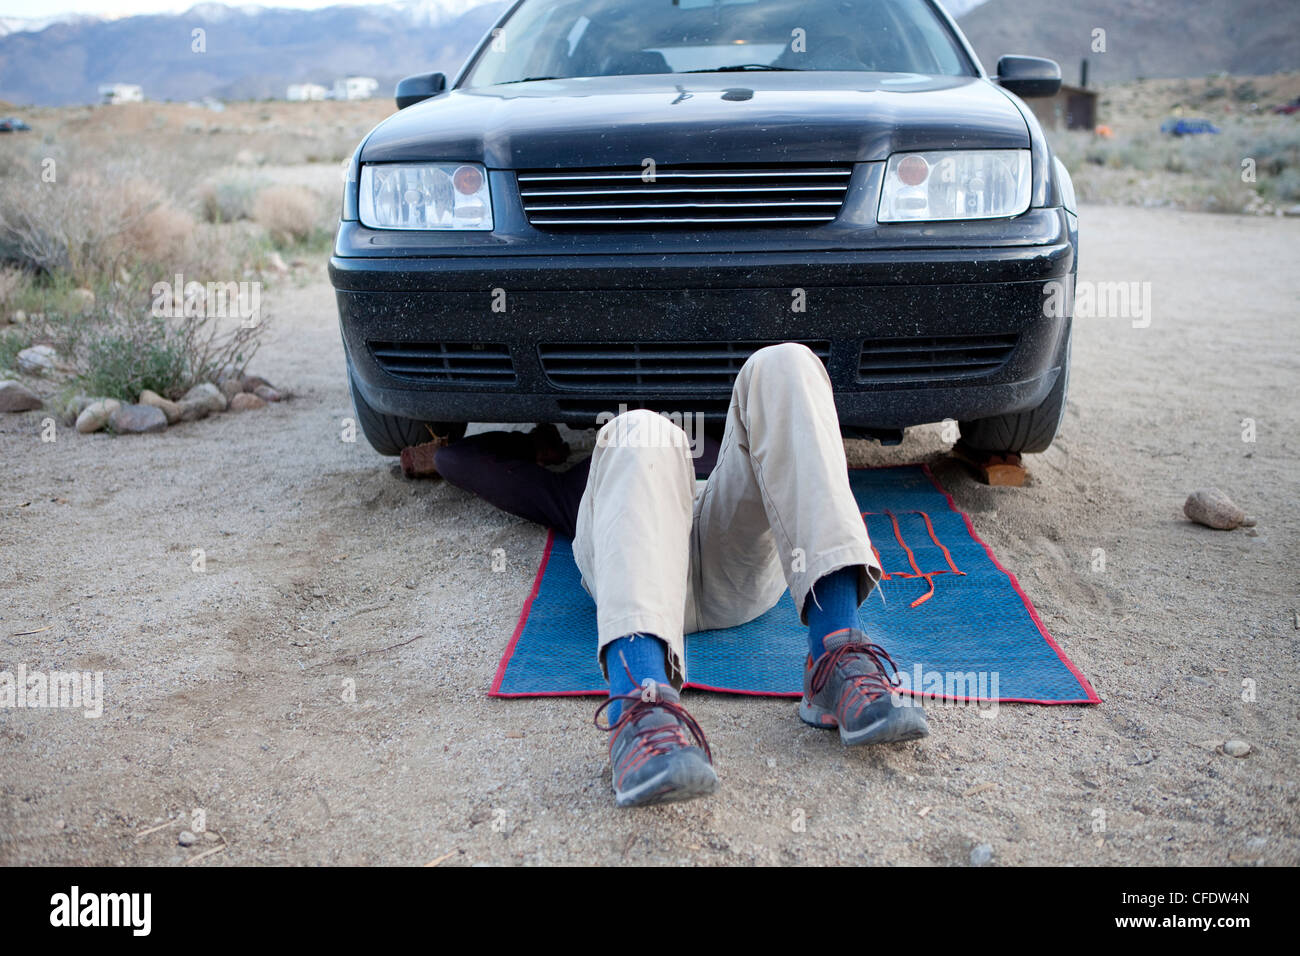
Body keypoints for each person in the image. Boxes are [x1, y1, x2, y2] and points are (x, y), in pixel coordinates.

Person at [434, 343, 928, 808]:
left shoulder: (724, 444)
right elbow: (454, 458)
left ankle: (833, 654)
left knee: (786, 362)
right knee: (640, 430)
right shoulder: (585, 480)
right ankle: (640, 708)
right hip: (635, 578)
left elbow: (792, 449)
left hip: (730, 560)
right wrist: (534, 441)